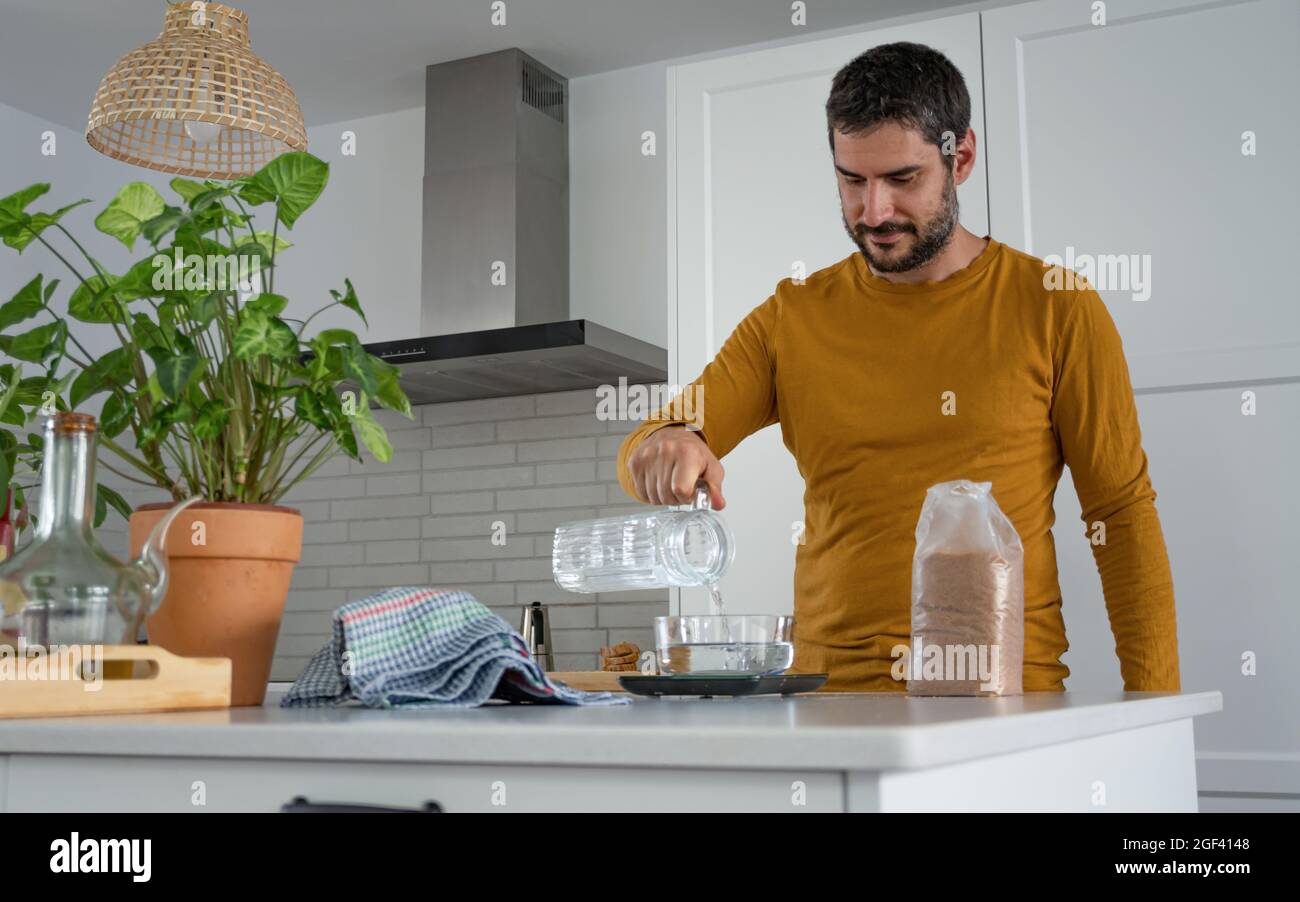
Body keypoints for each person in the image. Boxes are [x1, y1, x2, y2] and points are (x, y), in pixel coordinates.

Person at [617, 41, 1180, 692]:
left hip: (1002, 701)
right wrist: (670, 446)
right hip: (828, 705)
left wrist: (1156, 704)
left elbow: (1122, 513)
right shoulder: (791, 317)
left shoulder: (1056, 306)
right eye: (852, 180)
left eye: (902, 179)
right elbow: (646, 445)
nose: (874, 212)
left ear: (959, 157)